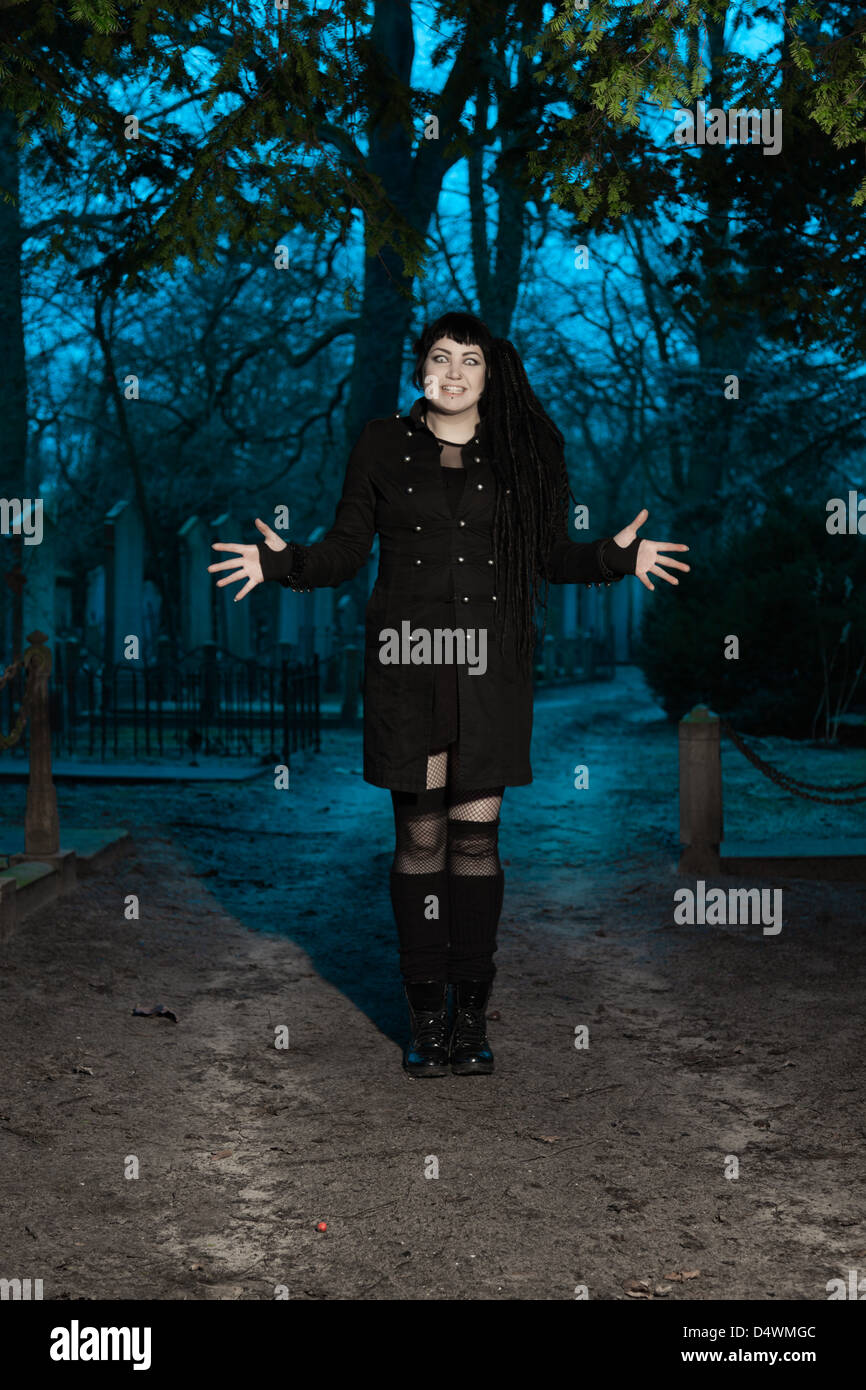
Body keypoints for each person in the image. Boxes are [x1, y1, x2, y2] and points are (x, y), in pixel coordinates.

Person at [208, 311, 689, 1079]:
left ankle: (472, 1016)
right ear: (420, 368)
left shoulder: (524, 451)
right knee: (420, 843)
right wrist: (282, 565)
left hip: (490, 677)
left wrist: (612, 557)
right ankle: (425, 1016)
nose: (455, 371)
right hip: (407, 672)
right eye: (440, 356)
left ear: (490, 374)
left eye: (470, 360)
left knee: (476, 843)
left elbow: (547, 555)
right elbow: (343, 551)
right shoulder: (379, 443)